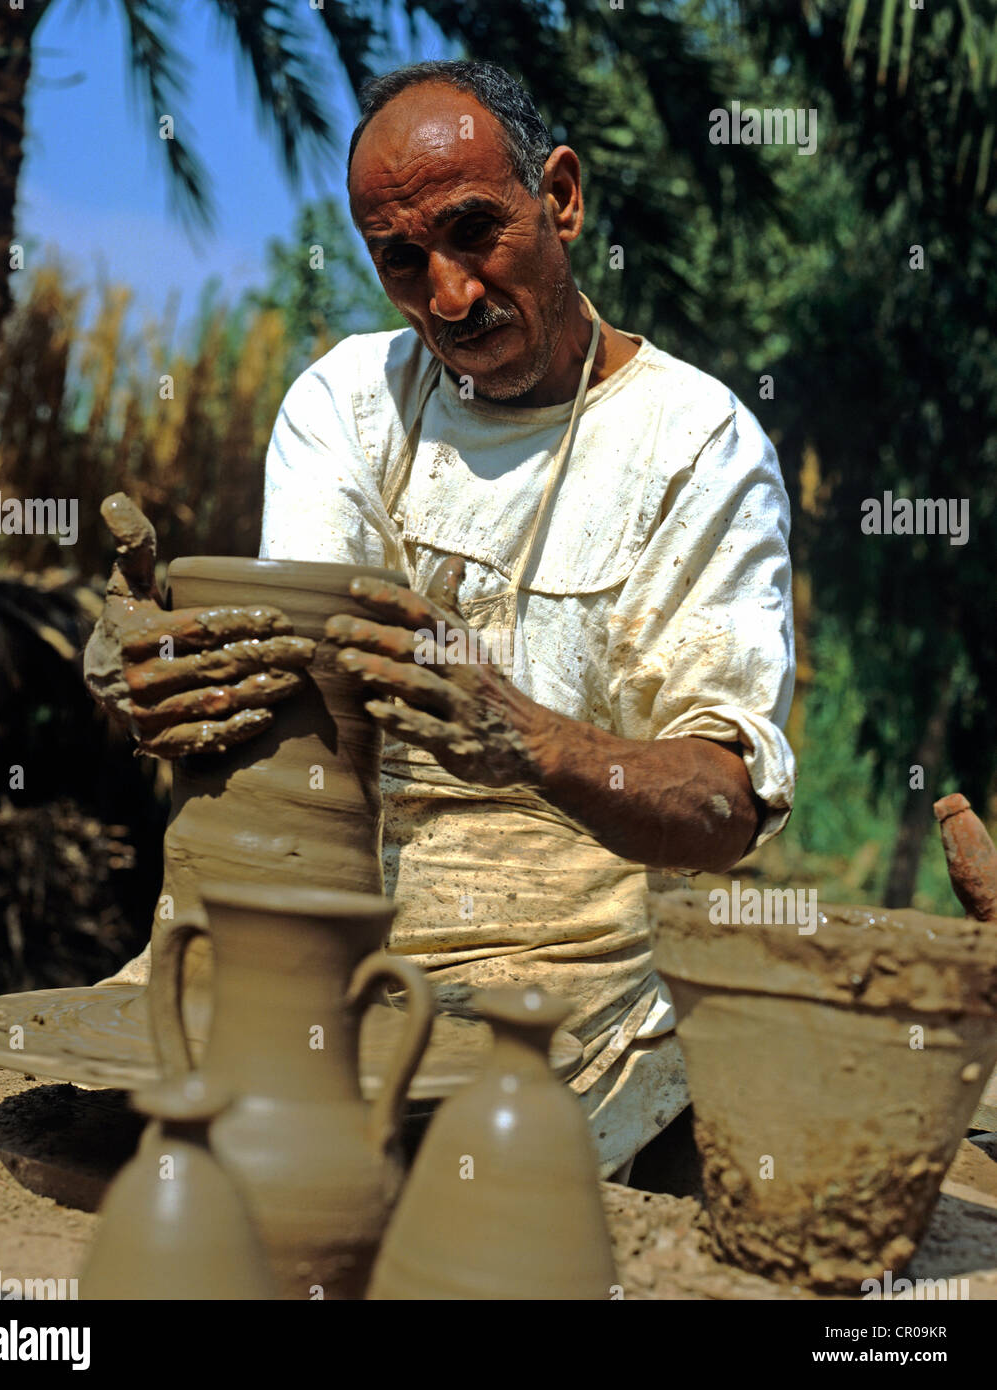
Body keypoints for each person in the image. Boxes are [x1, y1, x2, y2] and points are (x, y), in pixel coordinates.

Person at [86, 60, 796, 1178]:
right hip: (301, 960)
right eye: (403, 262)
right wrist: (159, 675)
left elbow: (723, 799)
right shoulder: (345, 404)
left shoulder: (695, 445)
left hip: (558, 984)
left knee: (449, 1191)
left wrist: (537, 745)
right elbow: (284, 715)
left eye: (475, 233)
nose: (449, 296)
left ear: (558, 197)